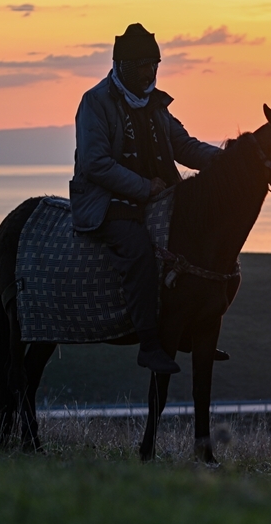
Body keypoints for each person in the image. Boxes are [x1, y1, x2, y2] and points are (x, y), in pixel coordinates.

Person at [69, 23, 220, 374]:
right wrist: (142, 187)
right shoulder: (95, 102)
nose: (150, 72)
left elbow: (184, 146)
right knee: (139, 251)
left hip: (157, 198)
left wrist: (228, 158)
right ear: (122, 66)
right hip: (109, 201)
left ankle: (189, 333)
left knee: (200, 248)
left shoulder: (156, 103)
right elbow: (95, 163)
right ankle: (150, 345)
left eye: (154, 64)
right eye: (142, 65)